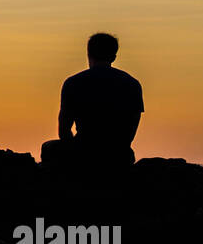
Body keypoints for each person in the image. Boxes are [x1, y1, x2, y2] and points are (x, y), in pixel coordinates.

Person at [49, 32, 144, 169]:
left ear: (89, 54)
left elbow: (64, 129)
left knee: (49, 148)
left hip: (83, 152)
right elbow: (131, 128)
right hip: (119, 155)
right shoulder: (132, 84)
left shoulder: (73, 83)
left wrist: (73, 152)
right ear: (113, 56)